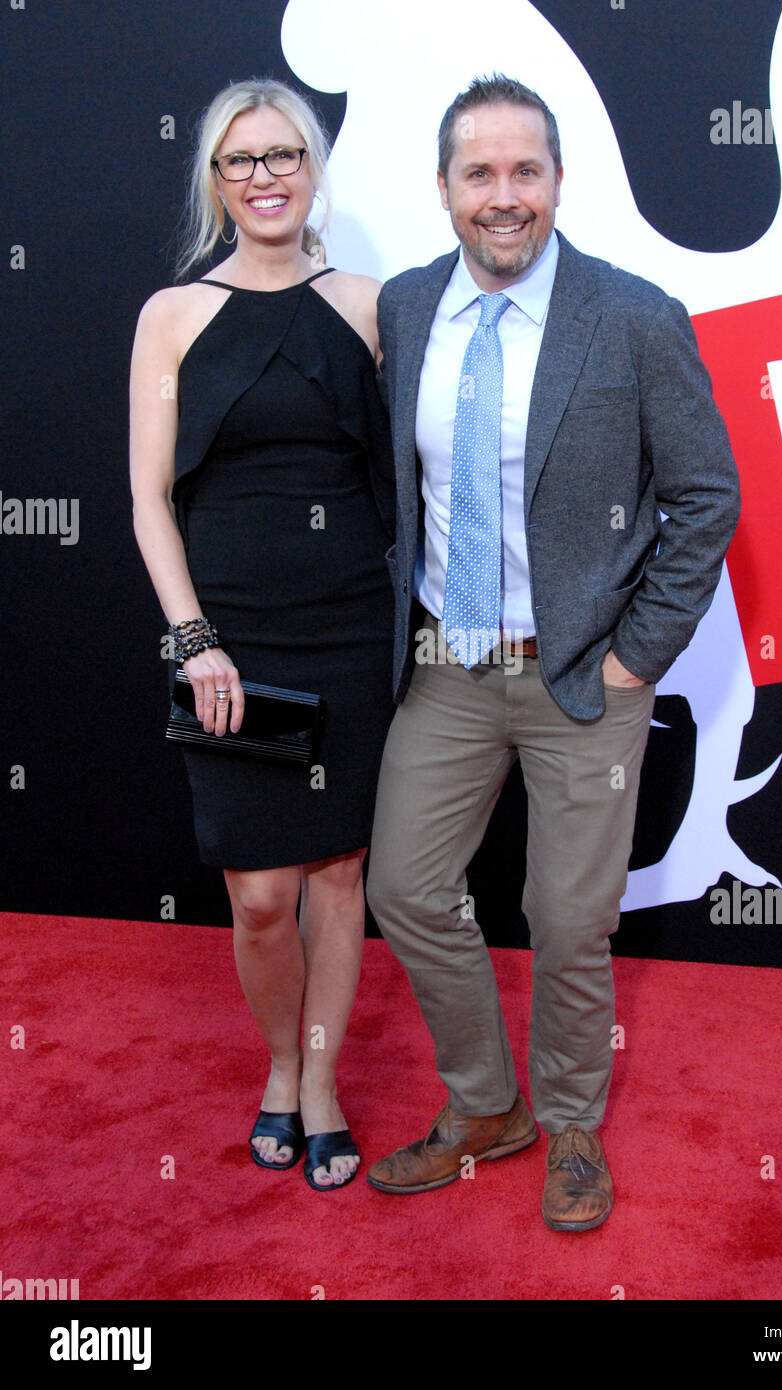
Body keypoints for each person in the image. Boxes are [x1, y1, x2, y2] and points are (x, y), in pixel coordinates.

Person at [365, 75, 740, 1230]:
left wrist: (634, 657)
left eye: (525, 170)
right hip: (446, 661)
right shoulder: (409, 309)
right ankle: (485, 1104)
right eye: (478, 173)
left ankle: (570, 1121)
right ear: (442, 189)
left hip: (584, 673)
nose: (503, 195)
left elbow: (706, 497)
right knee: (406, 889)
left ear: (558, 180)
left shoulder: (631, 316)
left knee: (569, 919)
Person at [129, 78, 395, 1191]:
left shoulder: (370, 307)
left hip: (351, 628)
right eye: (240, 161)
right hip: (230, 641)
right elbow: (149, 499)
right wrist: (195, 640)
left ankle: (317, 1082)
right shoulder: (172, 314)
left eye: (283, 154)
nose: (265, 177)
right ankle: (277, 1060)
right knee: (258, 892)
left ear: (312, 166)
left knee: (338, 874)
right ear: (215, 181)